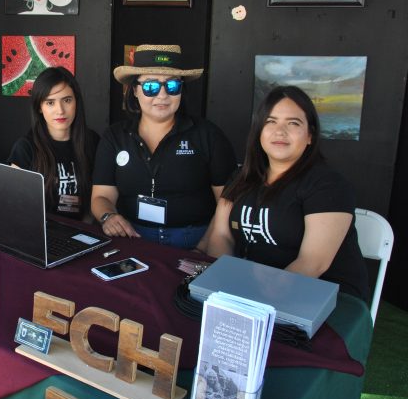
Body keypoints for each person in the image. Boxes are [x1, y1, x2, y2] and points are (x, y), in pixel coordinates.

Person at [197, 86, 369, 300]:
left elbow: (313, 263)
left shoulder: (328, 186)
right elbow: (222, 235)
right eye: (271, 121)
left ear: (310, 136)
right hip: (250, 291)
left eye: (293, 123)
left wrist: (258, 302)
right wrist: (226, 285)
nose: (280, 131)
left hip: (324, 297)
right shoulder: (241, 177)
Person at [91, 44, 236, 248]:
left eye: (172, 86)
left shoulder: (208, 135)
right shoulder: (115, 137)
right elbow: (101, 196)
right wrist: (109, 217)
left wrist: (205, 244)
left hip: (194, 238)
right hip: (131, 237)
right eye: (151, 86)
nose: (162, 95)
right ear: (134, 90)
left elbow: (226, 202)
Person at [8, 67, 99, 221]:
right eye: (50, 102)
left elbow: (99, 197)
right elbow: (13, 203)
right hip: (41, 231)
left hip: (83, 231)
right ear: (40, 107)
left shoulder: (93, 142)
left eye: (67, 100)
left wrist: (86, 229)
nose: (60, 110)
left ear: (76, 102)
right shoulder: (25, 148)